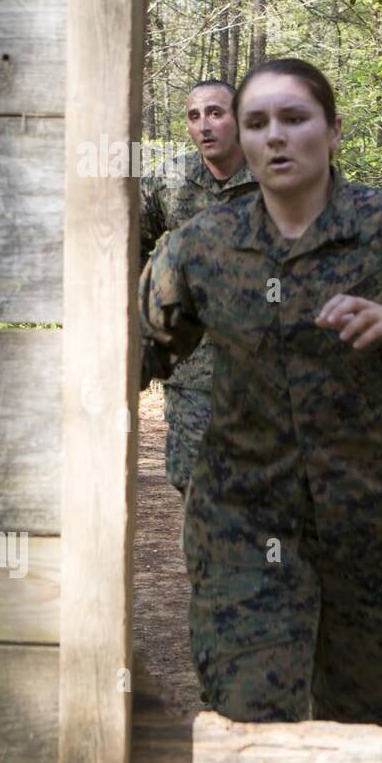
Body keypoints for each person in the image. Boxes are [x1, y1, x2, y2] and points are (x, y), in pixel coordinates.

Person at [138, 58, 382, 724]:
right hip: (243, 523)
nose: (274, 137)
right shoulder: (201, 245)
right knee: (248, 722)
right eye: (257, 123)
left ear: (333, 129)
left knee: (361, 728)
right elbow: (136, 348)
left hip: (378, 525)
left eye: (294, 118)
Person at [140, 80, 259, 512]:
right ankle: (213, 570)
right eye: (194, 116)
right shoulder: (168, 181)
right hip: (193, 364)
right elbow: (126, 249)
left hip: (270, 364)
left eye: (216, 113)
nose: (204, 125)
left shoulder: (275, 176)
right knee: (190, 475)